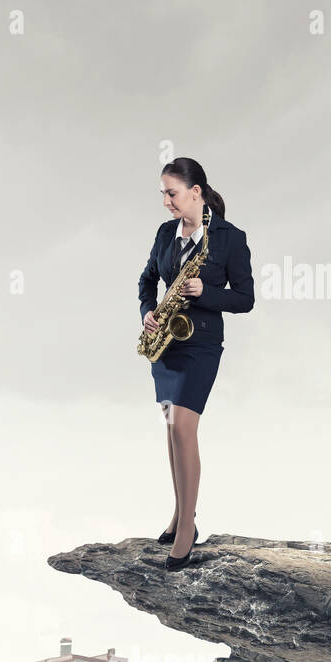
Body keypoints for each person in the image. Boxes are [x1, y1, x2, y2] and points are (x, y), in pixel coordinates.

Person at [137, 157, 254, 571]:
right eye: (163, 194)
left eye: (172, 193)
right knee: (172, 430)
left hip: (200, 343)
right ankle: (178, 512)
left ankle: (187, 527)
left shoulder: (229, 239)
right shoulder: (165, 234)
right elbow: (147, 278)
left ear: (195, 192)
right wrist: (149, 312)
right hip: (166, 342)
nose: (166, 202)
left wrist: (206, 291)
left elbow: (245, 299)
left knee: (184, 428)